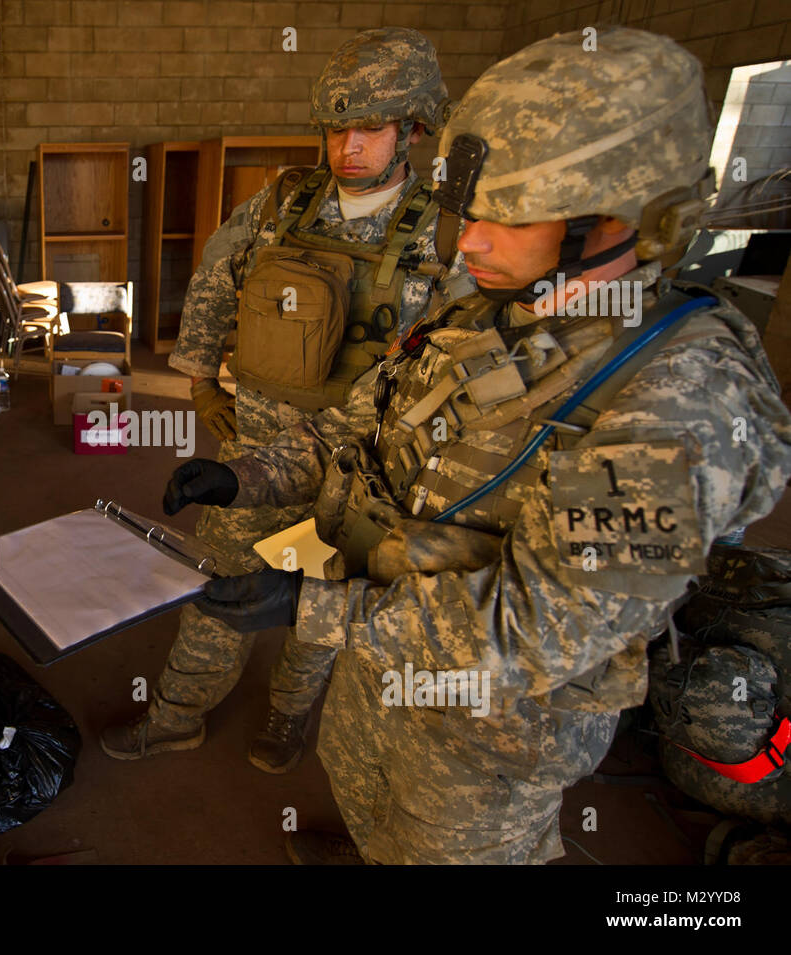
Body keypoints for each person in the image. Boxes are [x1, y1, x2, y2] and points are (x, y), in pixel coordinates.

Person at [167, 26, 791, 863]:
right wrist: (241, 475)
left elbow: (540, 625)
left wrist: (311, 608)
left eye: (509, 217)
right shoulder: (489, 308)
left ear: (619, 220)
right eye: (473, 210)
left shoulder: (680, 395)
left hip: (490, 734)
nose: (469, 242)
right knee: (365, 798)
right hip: (382, 653)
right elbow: (363, 426)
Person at [102, 28, 470, 773]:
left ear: (415, 128)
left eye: (369, 127)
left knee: (322, 595)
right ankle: (178, 713)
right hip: (255, 449)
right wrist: (201, 380)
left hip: (360, 468)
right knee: (219, 584)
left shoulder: (449, 234)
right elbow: (214, 273)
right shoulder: (285, 202)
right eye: (337, 128)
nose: (349, 146)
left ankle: (287, 715)